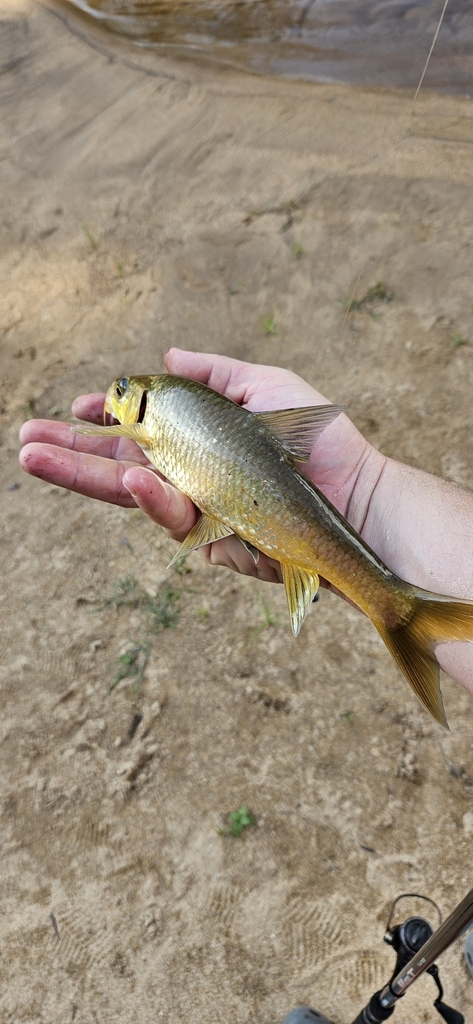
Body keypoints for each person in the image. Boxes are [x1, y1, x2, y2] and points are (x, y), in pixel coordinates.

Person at [19, 347, 473, 692]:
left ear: (140, 402)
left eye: (120, 391)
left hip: (268, 508)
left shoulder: (159, 403)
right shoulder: (158, 412)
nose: (113, 400)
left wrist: (364, 490)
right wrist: (367, 493)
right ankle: (400, 611)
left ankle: (400, 611)